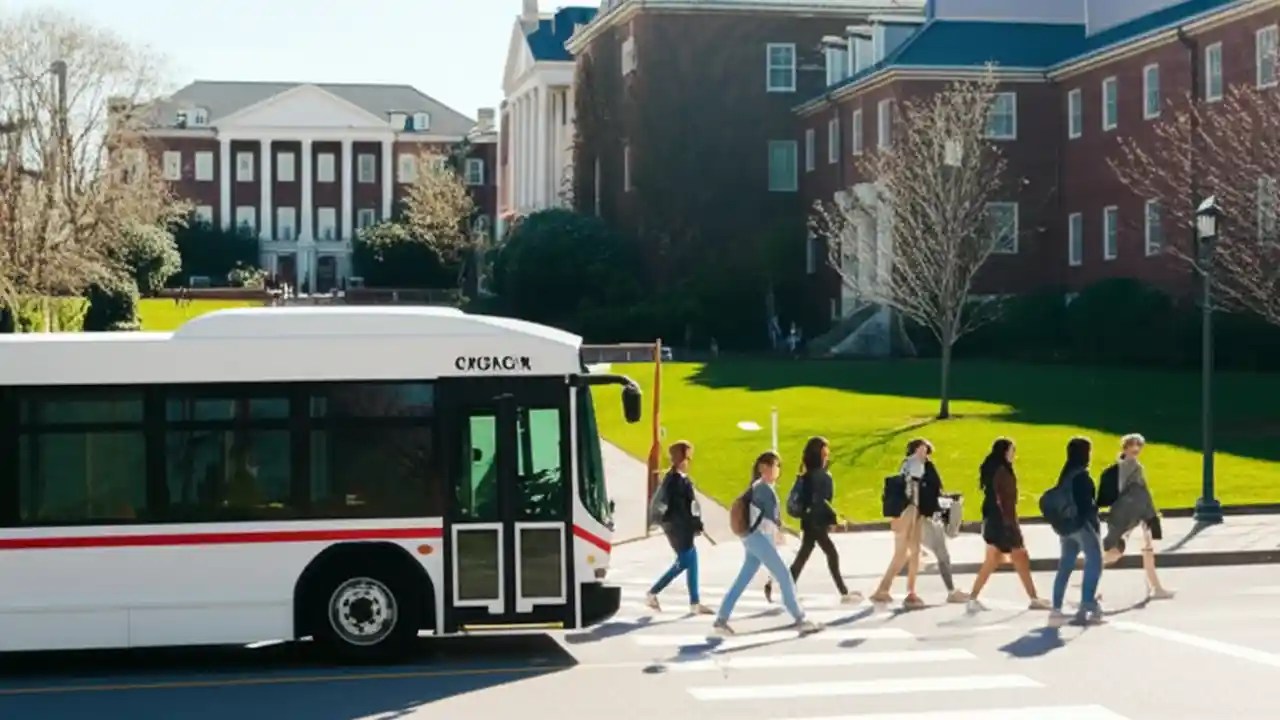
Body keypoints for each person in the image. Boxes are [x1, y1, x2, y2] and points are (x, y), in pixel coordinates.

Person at [714, 451, 822, 636]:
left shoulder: (757, 486)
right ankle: (800, 617)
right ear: (763, 468)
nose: (778, 469)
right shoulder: (763, 488)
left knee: (743, 579)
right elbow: (774, 519)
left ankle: (721, 619)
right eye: (775, 465)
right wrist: (790, 531)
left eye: (778, 466)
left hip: (752, 538)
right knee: (784, 575)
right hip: (758, 538)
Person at [764, 437, 860, 605]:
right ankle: (843, 592)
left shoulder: (806, 475)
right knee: (830, 554)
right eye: (825, 453)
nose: (827, 456)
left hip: (808, 521)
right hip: (816, 522)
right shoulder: (823, 477)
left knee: (803, 556)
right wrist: (836, 518)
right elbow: (823, 501)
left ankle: (786, 589)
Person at [967, 438, 1052, 611]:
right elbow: (1004, 501)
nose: (1014, 454)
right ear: (1005, 451)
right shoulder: (1002, 471)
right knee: (1020, 558)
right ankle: (1033, 598)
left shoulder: (994, 469)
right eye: (1012, 450)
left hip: (993, 519)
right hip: (1003, 522)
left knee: (993, 560)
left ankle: (973, 598)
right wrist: (1011, 525)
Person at [870, 438, 942, 609]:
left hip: (909, 510)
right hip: (910, 510)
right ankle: (895, 590)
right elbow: (916, 489)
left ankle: (899, 590)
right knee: (904, 552)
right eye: (923, 449)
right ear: (916, 449)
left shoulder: (907, 464)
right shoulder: (915, 463)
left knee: (912, 552)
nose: (925, 453)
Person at [645, 441, 713, 615]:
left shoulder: (678, 479)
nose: (690, 461)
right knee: (684, 562)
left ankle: (695, 603)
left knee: (692, 562)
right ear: (681, 459)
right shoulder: (675, 481)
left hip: (682, 528)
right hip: (678, 529)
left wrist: (695, 522)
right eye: (688, 457)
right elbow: (682, 509)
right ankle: (653, 592)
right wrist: (694, 522)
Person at [1103, 434, 1175, 600]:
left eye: (1139, 445)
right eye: (1133, 445)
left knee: (1147, 548)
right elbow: (1126, 489)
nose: (1136, 448)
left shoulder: (1131, 465)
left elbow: (1141, 490)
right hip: (1129, 513)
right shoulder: (1128, 465)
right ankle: (1089, 579)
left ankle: (1155, 587)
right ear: (1126, 447)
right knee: (1115, 551)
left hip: (1139, 512)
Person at [1051, 436, 1104, 625]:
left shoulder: (1065, 475)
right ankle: (1087, 604)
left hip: (1066, 527)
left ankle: (1056, 606)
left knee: (1065, 565)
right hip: (1083, 525)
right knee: (1095, 562)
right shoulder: (1082, 477)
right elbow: (1087, 505)